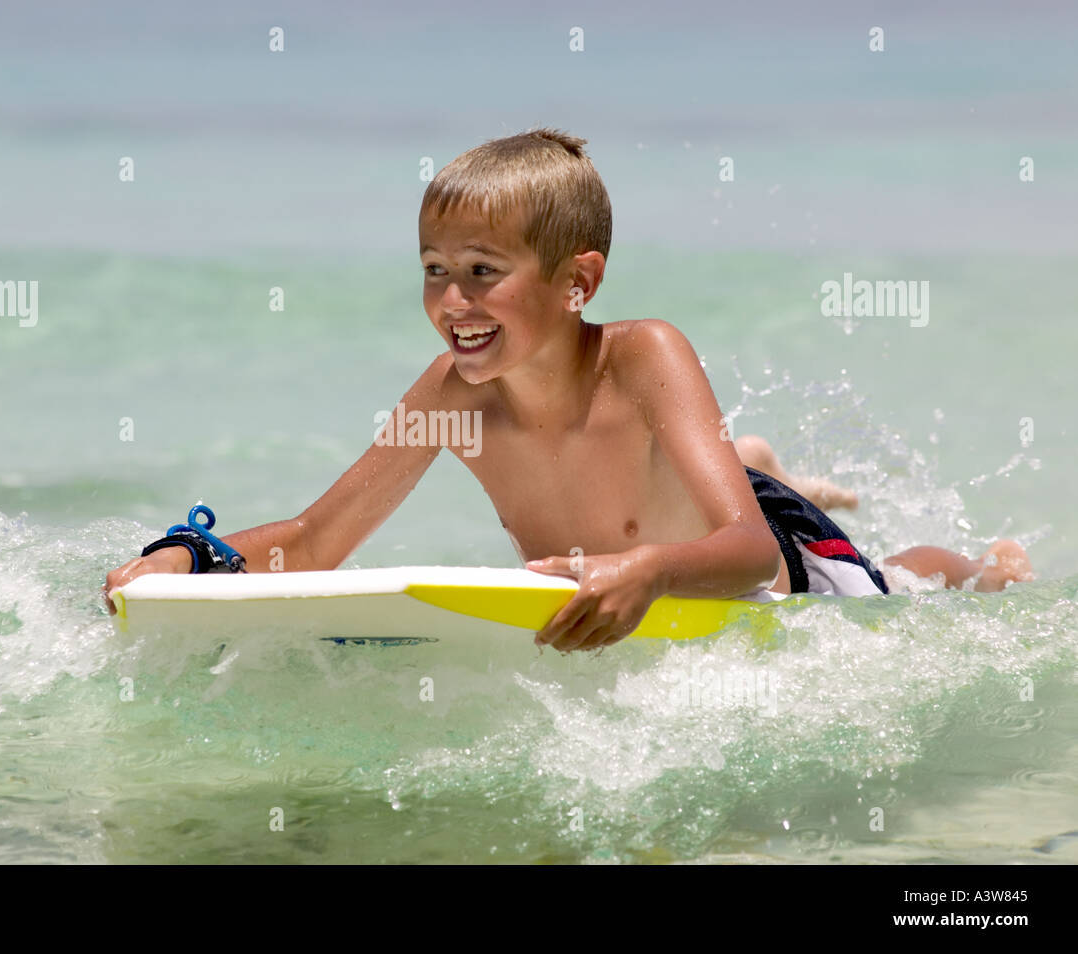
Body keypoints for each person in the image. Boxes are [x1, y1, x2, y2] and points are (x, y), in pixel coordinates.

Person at [104, 128, 1033, 651]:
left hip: (776, 570)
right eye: (433, 270)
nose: (451, 302)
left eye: (481, 271)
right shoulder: (453, 399)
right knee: (725, 469)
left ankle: (984, 563)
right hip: (674, 522)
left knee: (908, 580)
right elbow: (315, 540)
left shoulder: (644, 355)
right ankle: (742, 458)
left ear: (577, 283)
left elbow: (747, 553)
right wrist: (198, 561)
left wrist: (652, 568)